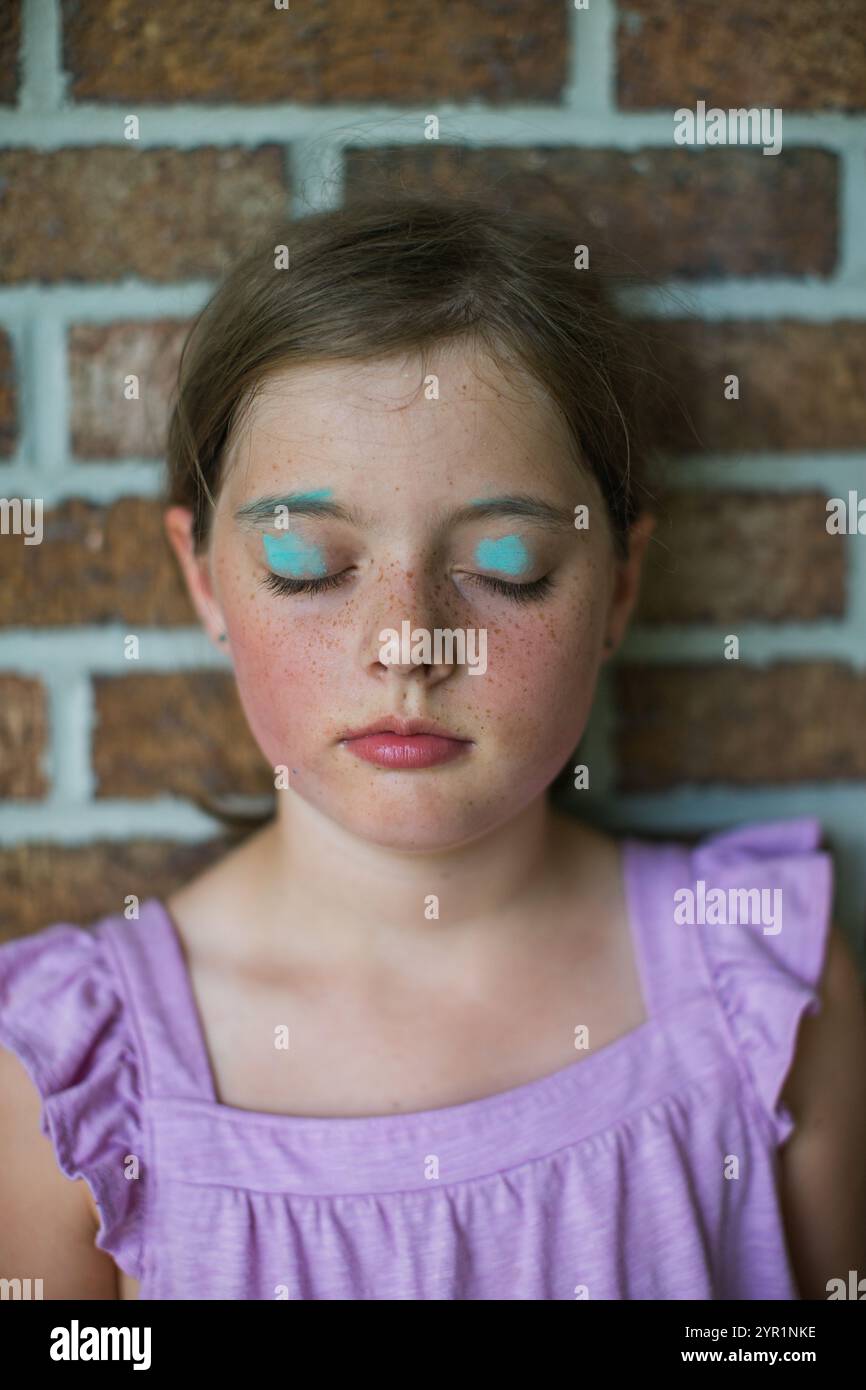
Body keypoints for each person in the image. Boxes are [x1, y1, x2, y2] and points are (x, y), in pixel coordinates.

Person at [1, 195, 865, 1301]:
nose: (407, 643)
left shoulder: (767, 993)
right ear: (203, 578)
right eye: (310, 565)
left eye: (505, 564)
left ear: (620, 584)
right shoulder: (66, 1088)